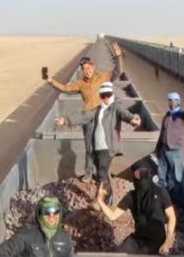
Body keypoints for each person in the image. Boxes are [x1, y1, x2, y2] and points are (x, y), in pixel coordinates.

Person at [46, 44, 126, 177]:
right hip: (88, 119)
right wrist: (51, 81)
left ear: (93, 67)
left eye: (89, 68)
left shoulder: (103, 77)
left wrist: (118, 57)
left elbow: (118, 71)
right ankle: (88, 173)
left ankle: (104, 171)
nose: (87, 71)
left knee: (106, 146)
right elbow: (65, 88)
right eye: (84, 69)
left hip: (102, 118)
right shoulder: (80, 83)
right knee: (89, 148)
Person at [95, 155, 177, 255]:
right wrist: (100, 201)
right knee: (117, 256)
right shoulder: (132, 196)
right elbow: (113, 215)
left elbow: (171, 217)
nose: (141, 177)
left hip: (158, 242)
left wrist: (168, 240)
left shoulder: (160, 192)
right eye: (138, 174)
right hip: (138, 240)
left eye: (144, 173)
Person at [91, 83, 141, 196]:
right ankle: (107, 196)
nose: (106, 98)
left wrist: (134, 120)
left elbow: (125, 114)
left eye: (108, 95)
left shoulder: (115, 107)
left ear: (111, 94)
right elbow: (85, 116)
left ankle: (103, 200)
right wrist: (66, 121)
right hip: (97, 146)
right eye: (103, 95)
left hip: (107, 146)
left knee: (102, 173)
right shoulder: (98, 109)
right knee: (102, 171)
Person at [154, 91, 184, 204]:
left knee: (176, 179)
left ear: (179, 102)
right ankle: (163, 200)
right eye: (170, 100)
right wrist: (157, 148)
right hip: (164, 150)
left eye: (175, 101)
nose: (172, 103)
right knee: (162, 176)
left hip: (175, 151)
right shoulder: (166, 116)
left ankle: (177, 204)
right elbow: (162, 132)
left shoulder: (180, 115)